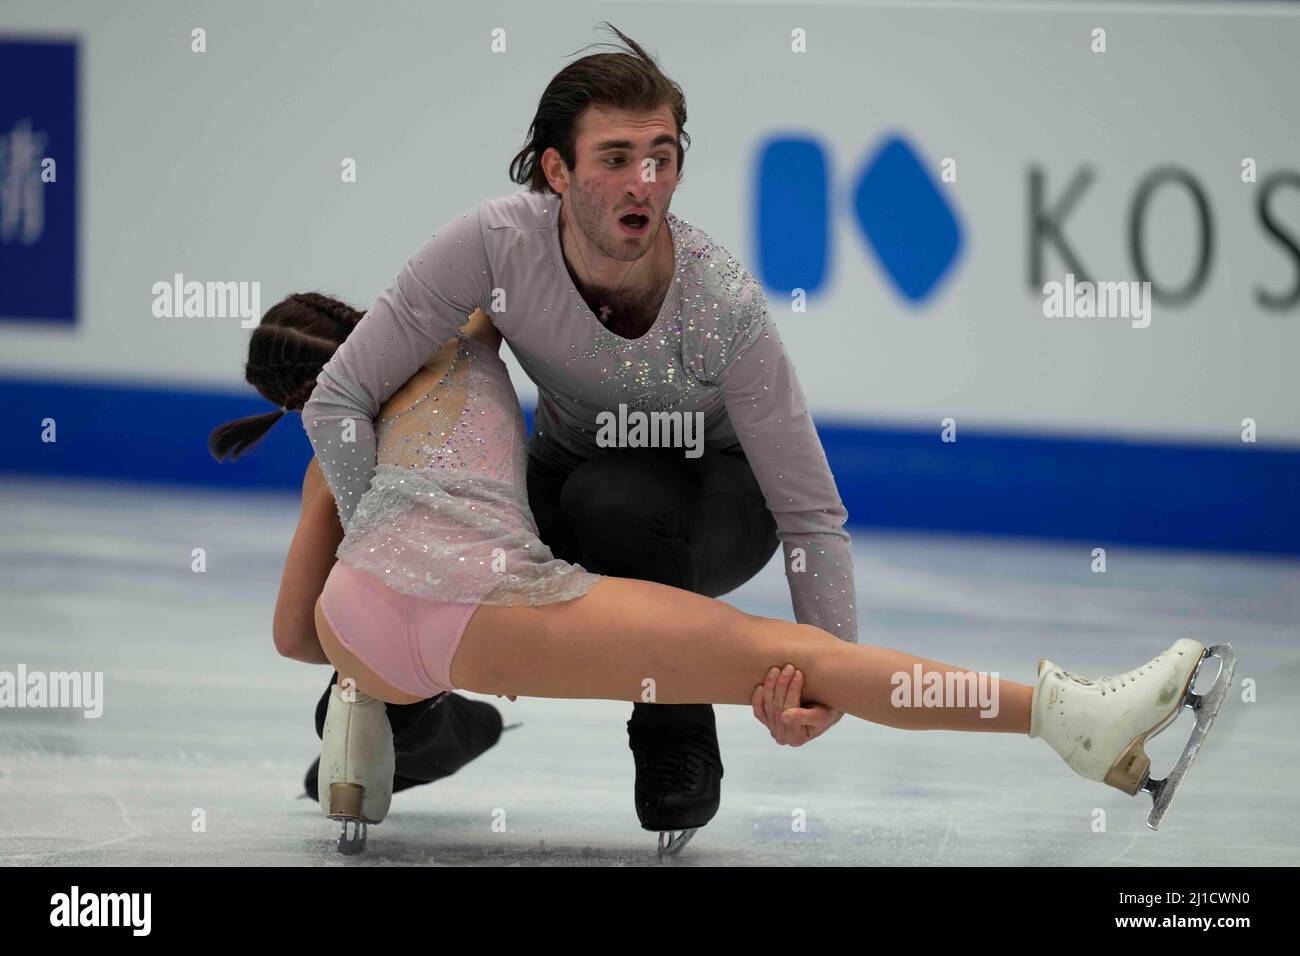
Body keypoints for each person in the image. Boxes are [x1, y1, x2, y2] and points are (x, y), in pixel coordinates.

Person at [300, 297, 1232, 853]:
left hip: (356, 622)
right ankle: (1064, 719)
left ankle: (361, 728)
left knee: (392, 650)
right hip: (484, 603)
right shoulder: (454, 333)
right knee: (795, 655)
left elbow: (291, 633)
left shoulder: (336, 436)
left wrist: (374, 651)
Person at [301, 23, 859, 848]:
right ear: (557, 171)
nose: (646, 180)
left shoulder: (721, 303)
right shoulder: (497, 244)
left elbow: (810, 513)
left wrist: (832, 668)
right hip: (563, 485)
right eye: (616, 157)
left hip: (716, 504)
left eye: (663, 156)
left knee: (620, 496)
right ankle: (422, 718)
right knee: (486, 510)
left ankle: (675, 735)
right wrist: (390, 549)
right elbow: (340, 398)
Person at [207, 292, 505, 806]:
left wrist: (379, 652)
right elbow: (497, 296)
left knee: (347, 707)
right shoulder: (458, 357)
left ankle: (435, 715)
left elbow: (293, 636)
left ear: (299, 404)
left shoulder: (330, 466)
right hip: (538, 584)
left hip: (438, 639)